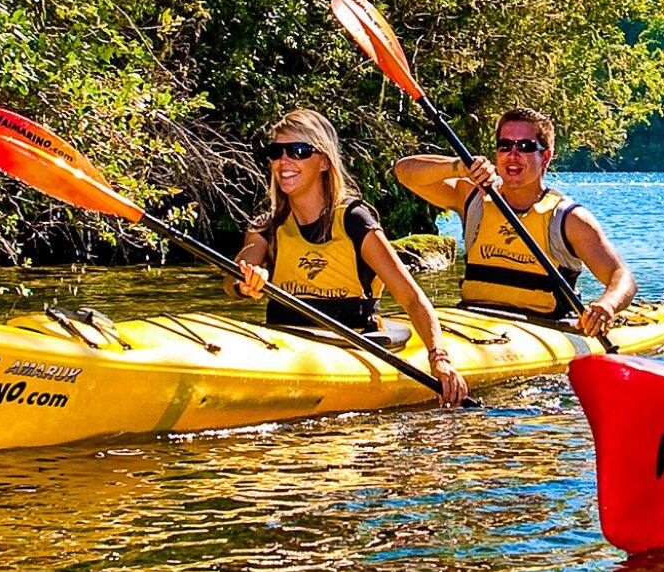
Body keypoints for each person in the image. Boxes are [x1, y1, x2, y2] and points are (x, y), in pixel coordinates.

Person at [228, 109, 466, 404]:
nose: (284, 161)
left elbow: (412, 298)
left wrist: (439, 357)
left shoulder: (354, 221)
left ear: (324, 162)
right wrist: (245, 281)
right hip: (285, 343)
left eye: (299, 151)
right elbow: (234, 274)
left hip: (348, 347)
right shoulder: (268, 225)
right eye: (277, 152)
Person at [392, 108, 638, 338]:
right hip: (471, 321)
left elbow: (622, 276)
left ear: (545, 157)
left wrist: (607, 305)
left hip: (543, 327)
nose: (513, 154)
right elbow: (404, 172)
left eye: (525, 146)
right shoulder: (474, 199)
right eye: (505, 145)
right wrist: (459, 167)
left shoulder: (569, 219)